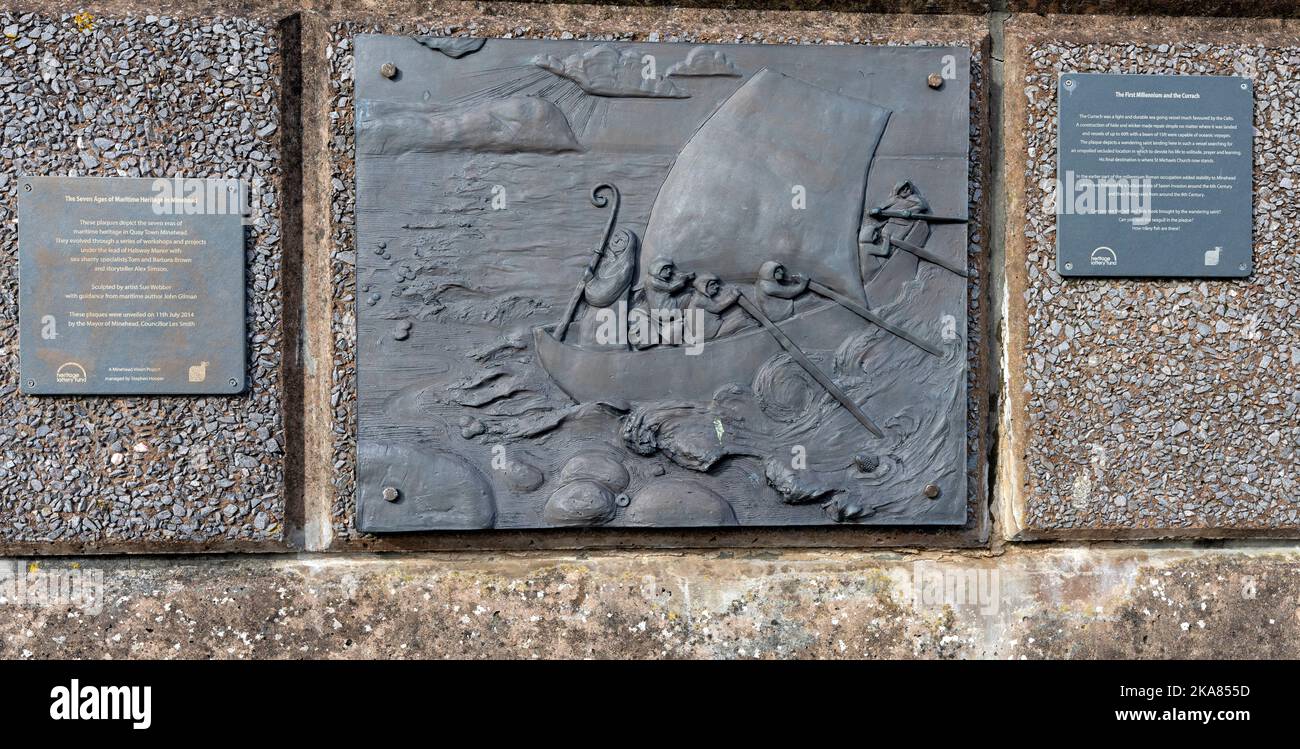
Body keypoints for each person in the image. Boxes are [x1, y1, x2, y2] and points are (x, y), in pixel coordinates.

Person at [688, 272, 745, 340]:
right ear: (703, 287)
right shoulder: (699, 299)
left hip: (712, 329)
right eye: (712, 284)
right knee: (742, 316)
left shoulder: (701, 297)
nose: (717, 286)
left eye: (716, 283)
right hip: (709, 332)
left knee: (740, 314)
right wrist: (733, 296)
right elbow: (716, 308)